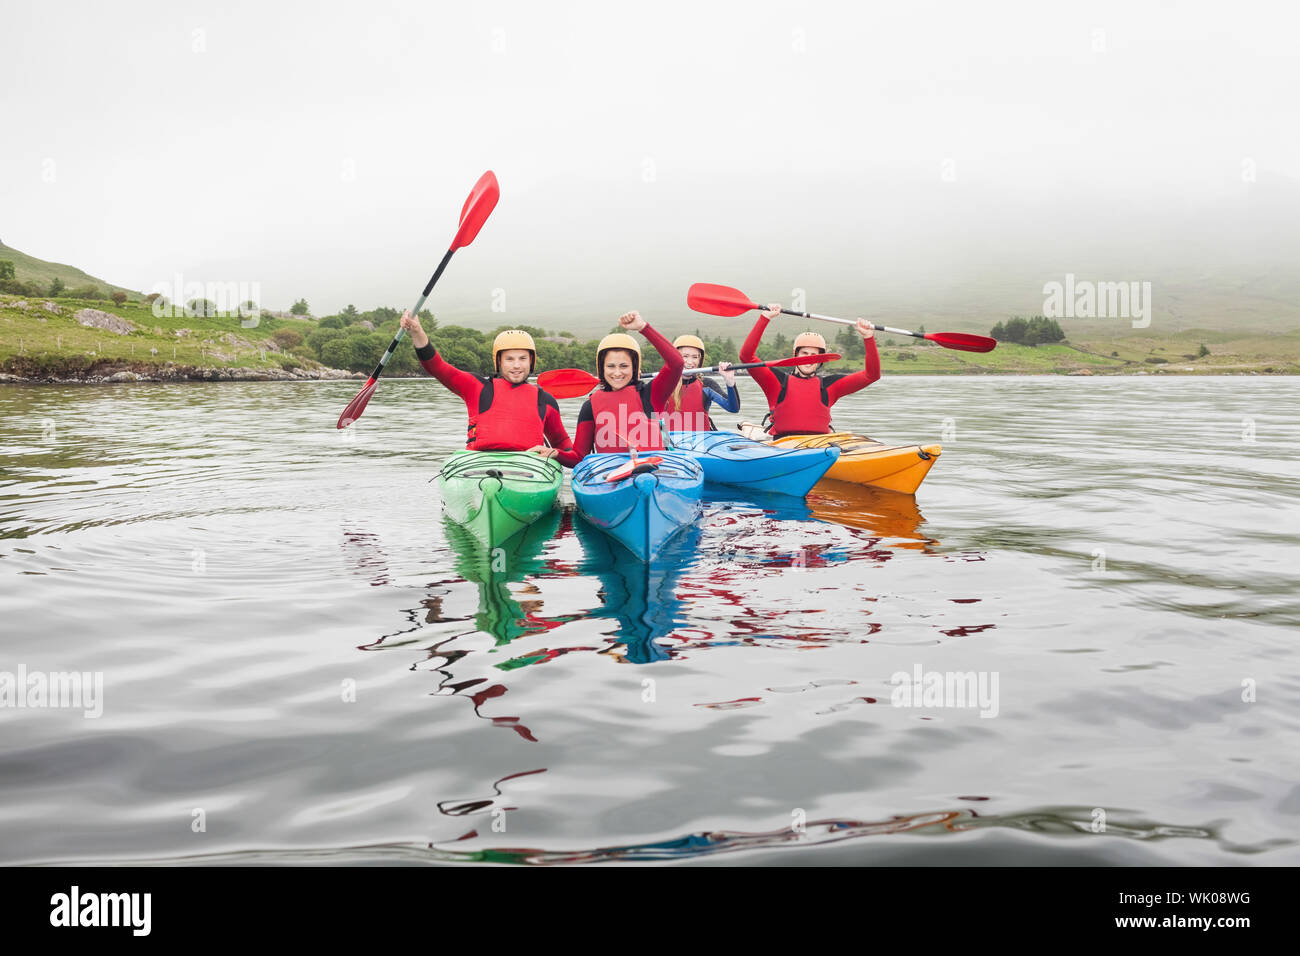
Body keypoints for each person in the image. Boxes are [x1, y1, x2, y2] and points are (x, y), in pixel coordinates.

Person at [400, 311, 581, 467]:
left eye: (522, 359)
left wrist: (556, 453)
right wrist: (417, 332)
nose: (517, 365)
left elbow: (566, 448)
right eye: (510, 359)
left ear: (531, 361)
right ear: (498, 361)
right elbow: (437, 367)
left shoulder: (545, 400)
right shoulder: (477, 388)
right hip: (479, 465)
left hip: (529, 470)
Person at [739, 304, 880, 436]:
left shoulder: (831, 385)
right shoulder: (776, 381)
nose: (808, 359)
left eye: (814, 355)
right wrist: (765, 318)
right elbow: (746, 357)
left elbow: (871, 375)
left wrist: (868, 337)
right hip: (781, 445)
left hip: (820, 446)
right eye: (804, 354)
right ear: (796, 355)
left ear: (820, 360)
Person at [572, 310, 683, 456]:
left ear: (635, 368)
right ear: (602, 369)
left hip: (653, 475)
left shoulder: (651, 394)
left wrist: (643, 328)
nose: (617, 373)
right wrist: (554, 453)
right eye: (611, 366)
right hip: (609, 475)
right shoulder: (590, 406)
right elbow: (578, 456)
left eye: (624, 366)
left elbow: (676, 363)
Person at [661, 334, 739, 432]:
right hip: (669, 443)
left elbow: (733, 408)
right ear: (674, 358)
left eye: (695, 357)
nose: (690, 362)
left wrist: (730, 382)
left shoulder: (706, 385)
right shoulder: (660, 385)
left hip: (701, 443)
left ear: (700, 360)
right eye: (685, 356)